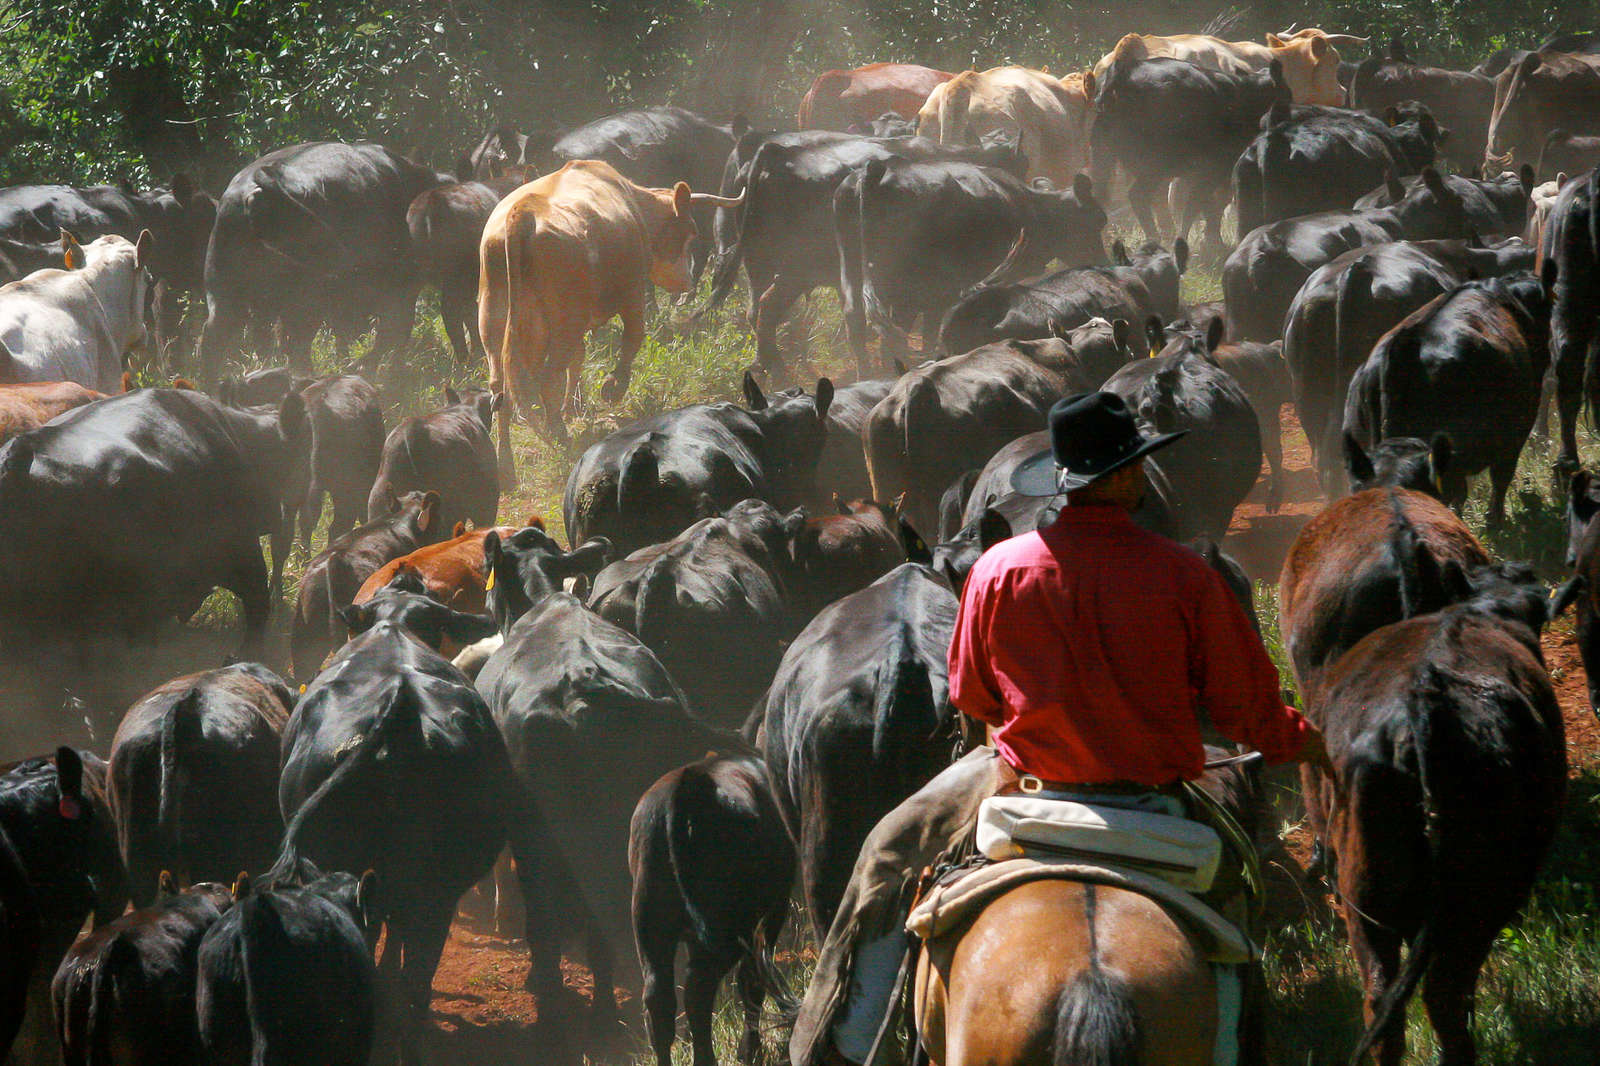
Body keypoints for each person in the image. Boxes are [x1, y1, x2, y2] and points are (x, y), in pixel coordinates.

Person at [790, 391, 1332, 1066]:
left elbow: (971, 694)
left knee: (882, 858)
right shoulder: (1187, 577)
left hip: (1022, 791)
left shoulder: (995, 571)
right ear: (1130, 475)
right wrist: (1308, 739)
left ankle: (840, 1046)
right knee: (1242, 899)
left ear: (1066, 482)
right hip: (1157, 800)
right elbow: (1246, 716)